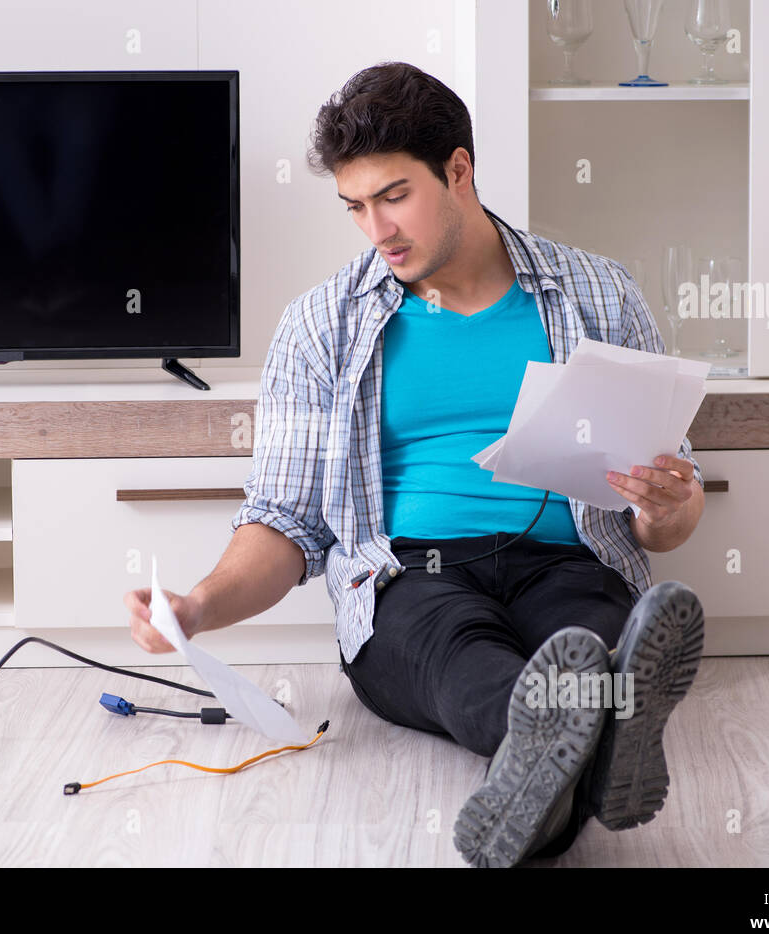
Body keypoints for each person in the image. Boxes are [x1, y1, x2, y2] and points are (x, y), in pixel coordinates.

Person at [123, 61, 706, 867]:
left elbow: (669, 510)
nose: (376, 229)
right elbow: (284, 522)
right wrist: (195, 609)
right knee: (460, 660)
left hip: (567, 560)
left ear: (458, 171)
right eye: (355, 207)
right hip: (409, 582)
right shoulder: (320, 325)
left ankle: (576, 732)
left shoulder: (597, 294)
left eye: (394, 196)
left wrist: (667, 508)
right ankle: (606, 725)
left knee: (585, 630)